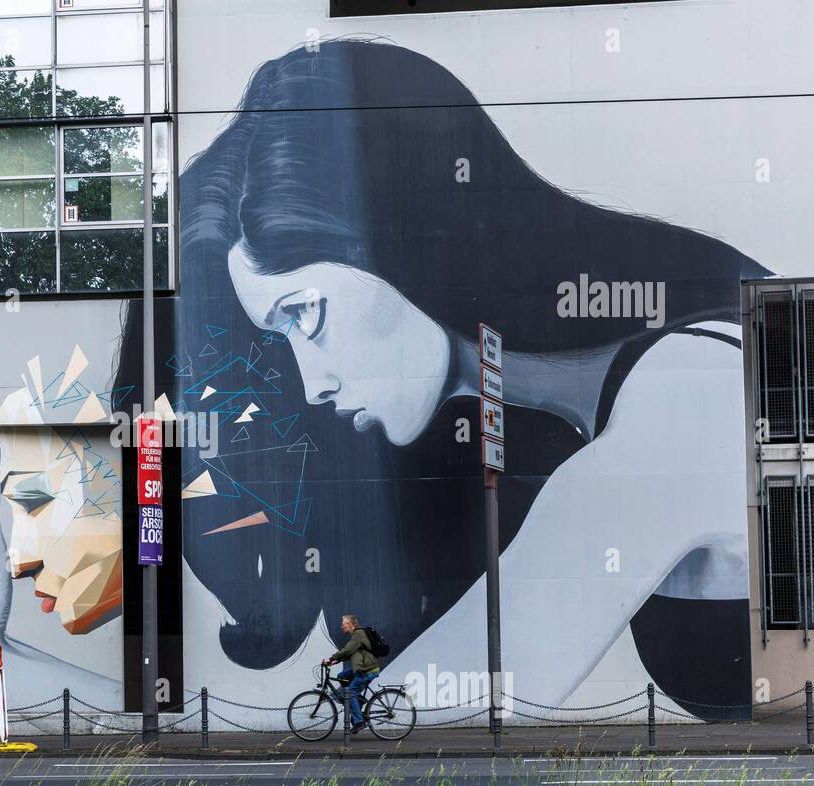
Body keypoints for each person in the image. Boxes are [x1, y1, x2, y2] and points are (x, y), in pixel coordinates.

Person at [164, 38, 766, 717]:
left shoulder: (691, 396)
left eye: (307, 314)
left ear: (401, 236)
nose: (312, 386)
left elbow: (407, 711)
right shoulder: (562, 427)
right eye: (281, 335)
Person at [321, 614, 384, 734]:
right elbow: (351, 652)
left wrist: (330, 658)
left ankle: (359, 722)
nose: (341, 626)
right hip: (364, 668)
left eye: (343, 623)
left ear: (350, 624)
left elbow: (348, 650)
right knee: (341, 676)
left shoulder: (358, 634)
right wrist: (335, 661)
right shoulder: (357, 636)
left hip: (367, 670)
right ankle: (358, 700)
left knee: (350, 692)